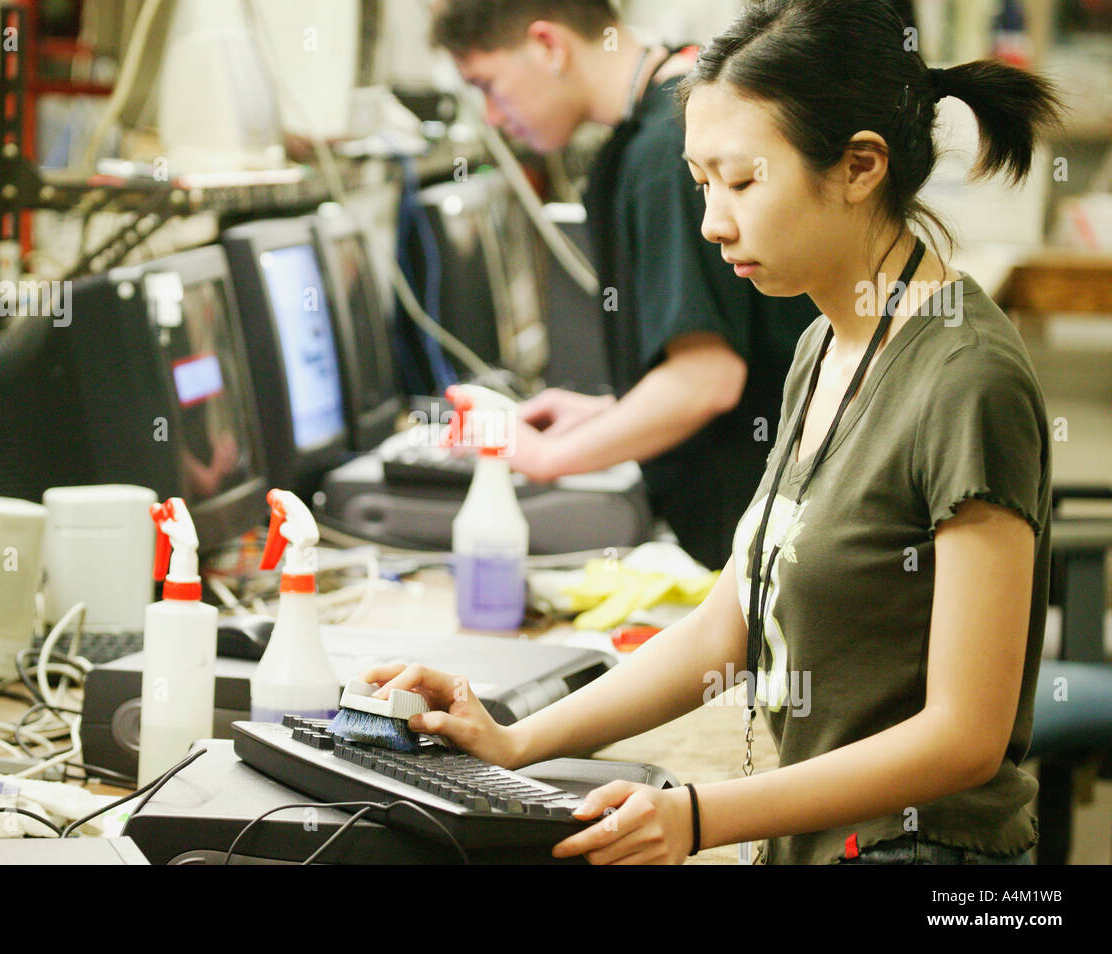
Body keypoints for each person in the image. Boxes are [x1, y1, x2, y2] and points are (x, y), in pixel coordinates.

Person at [368, 0, 1061, 864]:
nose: (712, 222)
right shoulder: (829, 342)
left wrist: (699, 818)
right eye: (702, 183)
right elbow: (723, 629)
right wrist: (511, 737)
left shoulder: (967, 380)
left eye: (741, 182)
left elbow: (965, 737)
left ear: (858, 167)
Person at [430, 0, 819, 570]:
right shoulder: (670, 115)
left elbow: (708, 379)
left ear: (547, 45)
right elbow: (740, 345)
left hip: (772, 530)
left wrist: (546, 456)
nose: (491, 114)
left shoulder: (668, 150)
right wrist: (606, 410)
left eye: (487, 84)